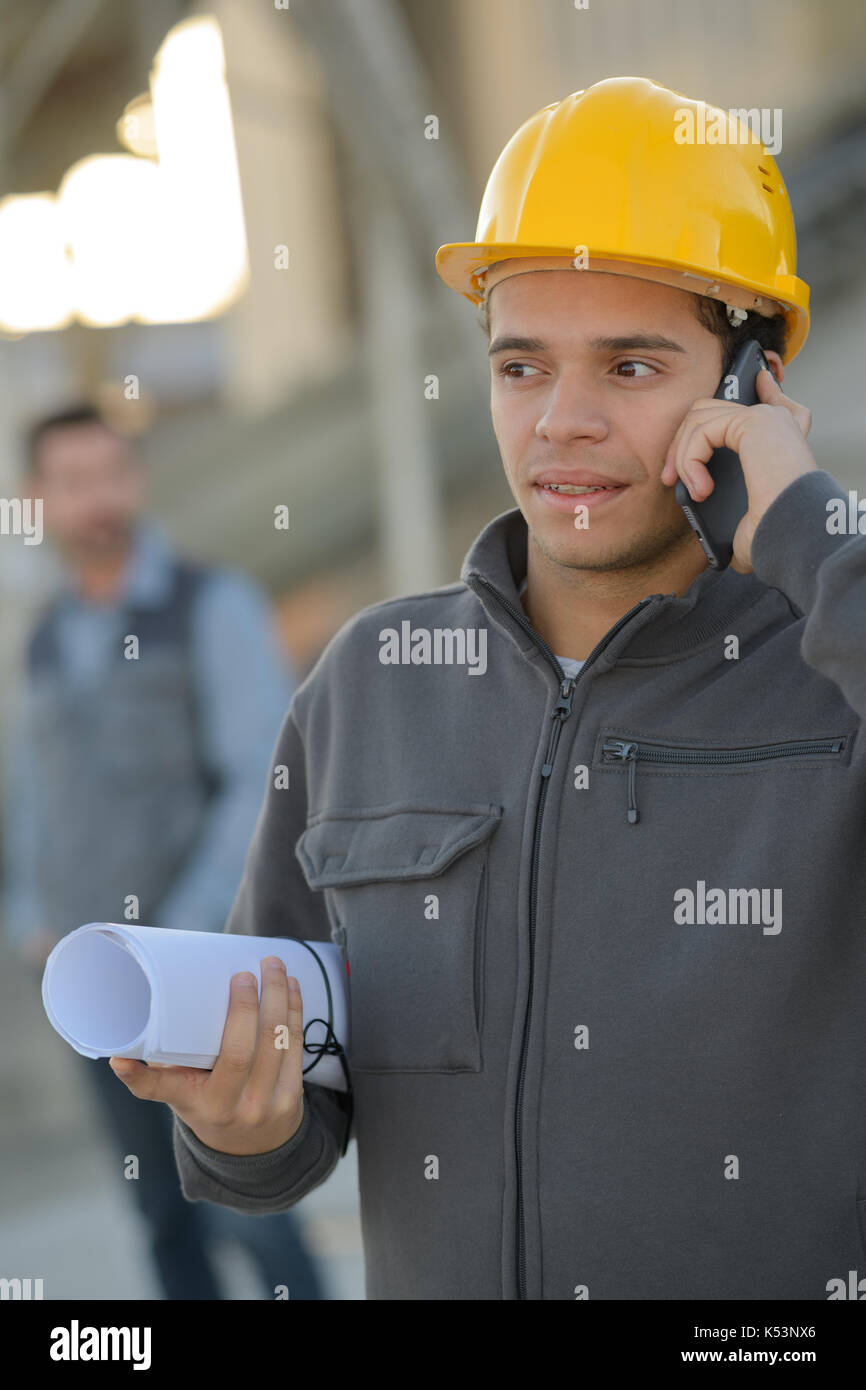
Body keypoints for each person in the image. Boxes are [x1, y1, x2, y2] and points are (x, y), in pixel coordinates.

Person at [110, 76, 866, 1300]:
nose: (561, 422)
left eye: (628, 365)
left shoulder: (827, 668)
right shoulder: (369, 687)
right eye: (521, 368)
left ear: (752, 382)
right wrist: (240, 1132)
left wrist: (803, 524)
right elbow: (296, 1110)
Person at [2, 403, 325, 1300]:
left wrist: (174, 944)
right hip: (86, 980)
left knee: (245, 1204)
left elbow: (261, 779)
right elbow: (39, 787)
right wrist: (33, 914)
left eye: (111, 474)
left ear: (135, 481)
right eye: (73, 482)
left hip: (194, 972)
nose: (98, 498)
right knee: (158, 1216)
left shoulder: (209, 607)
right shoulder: (44, 636)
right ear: (40, 499)